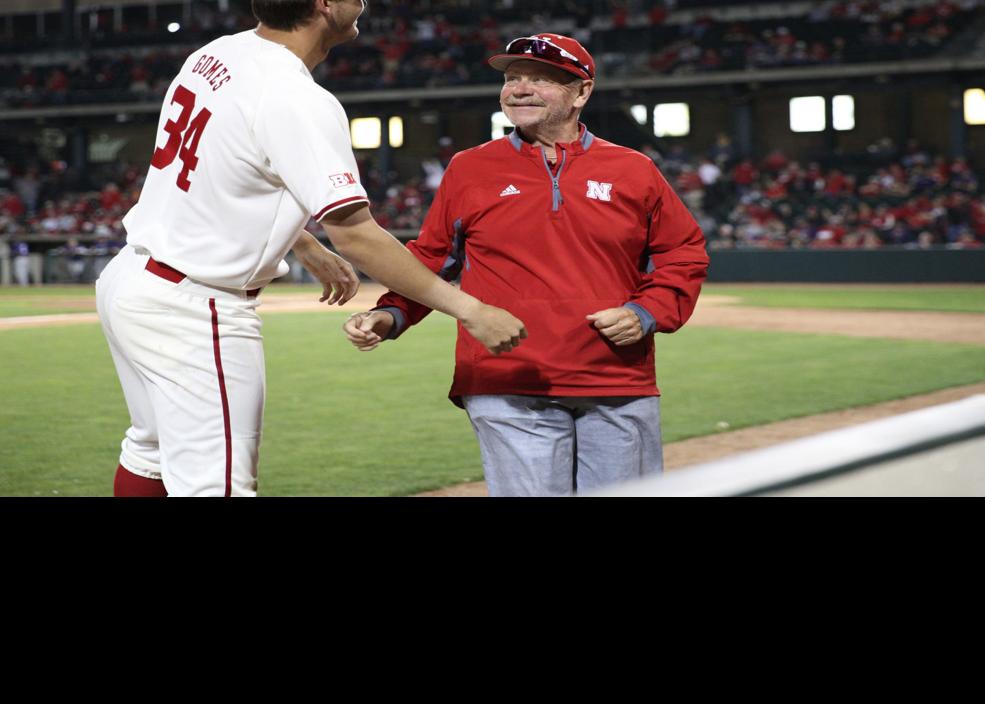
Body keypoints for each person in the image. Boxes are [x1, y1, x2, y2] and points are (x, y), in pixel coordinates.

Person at [95, 0, 526, 497]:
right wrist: (469, 310)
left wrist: (299, 239)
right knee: (218, 487)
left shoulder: (219, 52)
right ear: (323, 4)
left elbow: (223, 168)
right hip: (194, 306)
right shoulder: (297, 96)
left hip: (133, 279)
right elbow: (357, 235)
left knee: (149, 454)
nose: (362, 2)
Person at [344, 32, 710, 496]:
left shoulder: (634, 170)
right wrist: (393, 311)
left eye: (542, 78)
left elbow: (684, 252)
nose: (519, 87)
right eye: (513, 77)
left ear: (582, 92)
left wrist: (647, 312)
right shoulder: (469, 168)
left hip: (615, 377)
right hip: (506, 379)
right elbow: (434, 256)